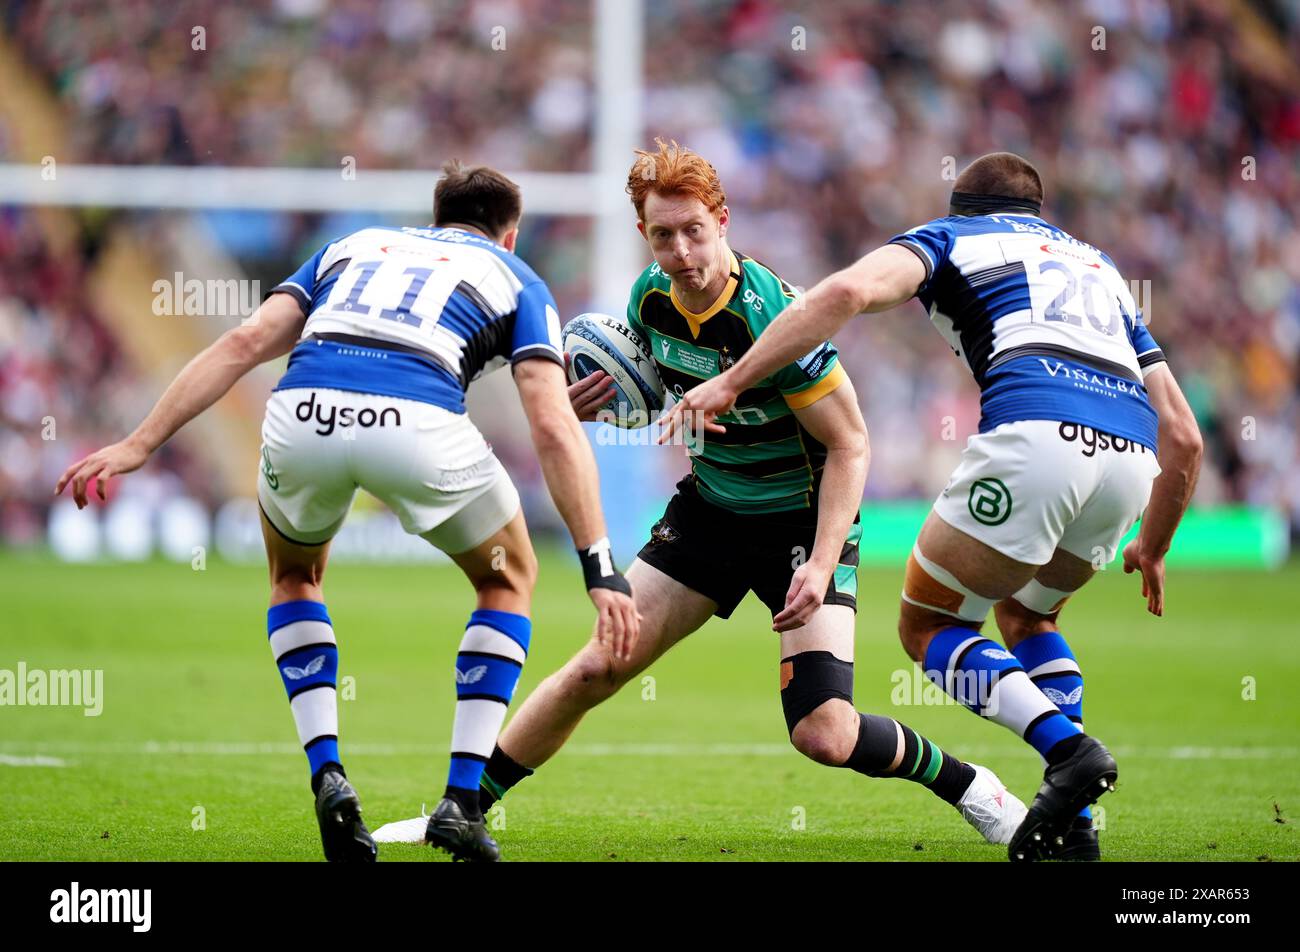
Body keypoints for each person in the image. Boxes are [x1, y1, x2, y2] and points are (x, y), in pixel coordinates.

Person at [54, 161, 638, 863]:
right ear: (507, 236)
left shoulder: (352, 248)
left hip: (303, 411)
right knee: (506, 578)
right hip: (417, 423)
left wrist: (139, 443)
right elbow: (550, 421)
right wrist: (600, 564)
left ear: (434, 217)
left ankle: (328, 771)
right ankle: (460, 801)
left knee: (295, 577)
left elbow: (243, 344)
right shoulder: (518, 278)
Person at [475, 141, 1027, 850]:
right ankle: (463, 809)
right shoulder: (649, 298)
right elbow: (657, 394)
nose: (680, 251)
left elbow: (850, 446)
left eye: (693, 231)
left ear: (723, 221)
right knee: (596, 667)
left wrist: (822, 564)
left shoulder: (776, 318)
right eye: (662, 235)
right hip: (709, 513)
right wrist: (598, 405)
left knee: (825, 734)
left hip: (802, 526)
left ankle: (972, 785)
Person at [662, 152, 1203, 861]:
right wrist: (1155, 543)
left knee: (928, 623)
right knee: (1029, 614)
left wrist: (733, 379)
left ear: (960, 206)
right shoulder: (1100, 270)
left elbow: (847, 292)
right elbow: (1186, 437)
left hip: (1036, 436)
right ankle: (1075, 823)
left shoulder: (951, 239)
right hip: (1131, 462)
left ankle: (1069, 752)